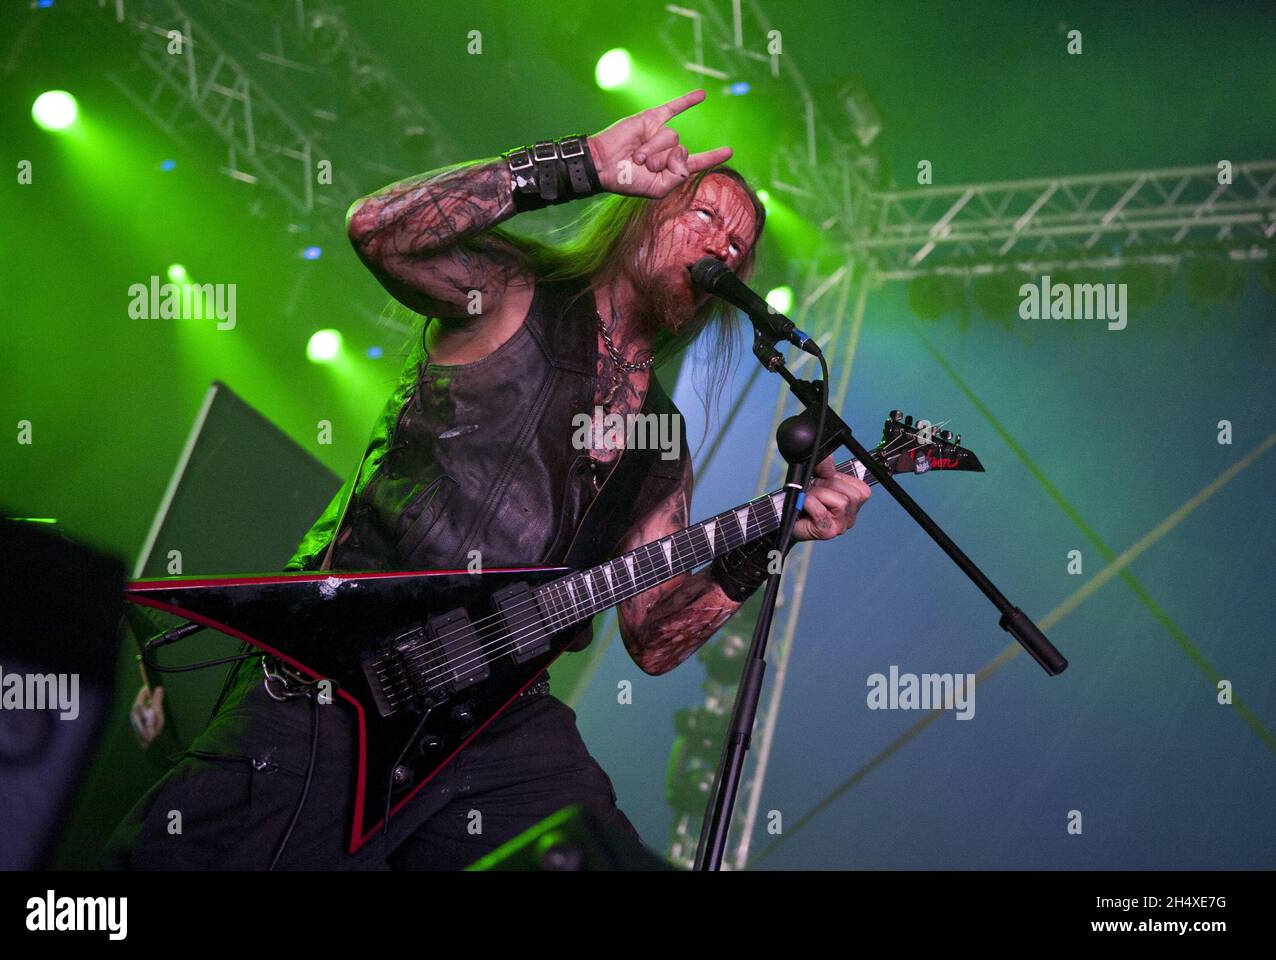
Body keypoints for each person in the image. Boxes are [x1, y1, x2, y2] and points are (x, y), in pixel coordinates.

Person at [104, 88, 870, 870]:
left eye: (740, 246)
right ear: (643, 210)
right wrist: (579, 165)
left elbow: (655, 638)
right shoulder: (512, 294)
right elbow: (378, 231)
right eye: (704, 217)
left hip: (491, 719)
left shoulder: (661, 441)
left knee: (596, 854)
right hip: (349, 667)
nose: (724, 251)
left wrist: (774, 536)